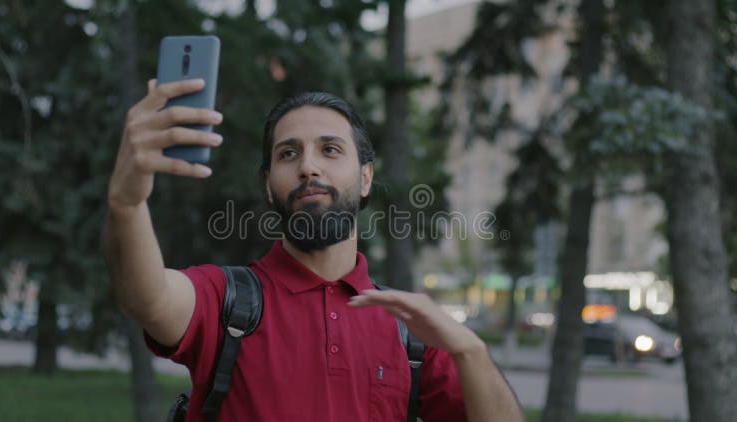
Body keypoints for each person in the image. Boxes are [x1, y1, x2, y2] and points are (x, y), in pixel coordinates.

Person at [103, 78, 523, 422]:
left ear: (365, 178)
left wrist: (470, 350)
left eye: (330, 149)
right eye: (289, 153)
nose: (308, 165)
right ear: (269, 186)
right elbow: (148, 297)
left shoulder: (411, 329)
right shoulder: (226, 300)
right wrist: (126, 204)